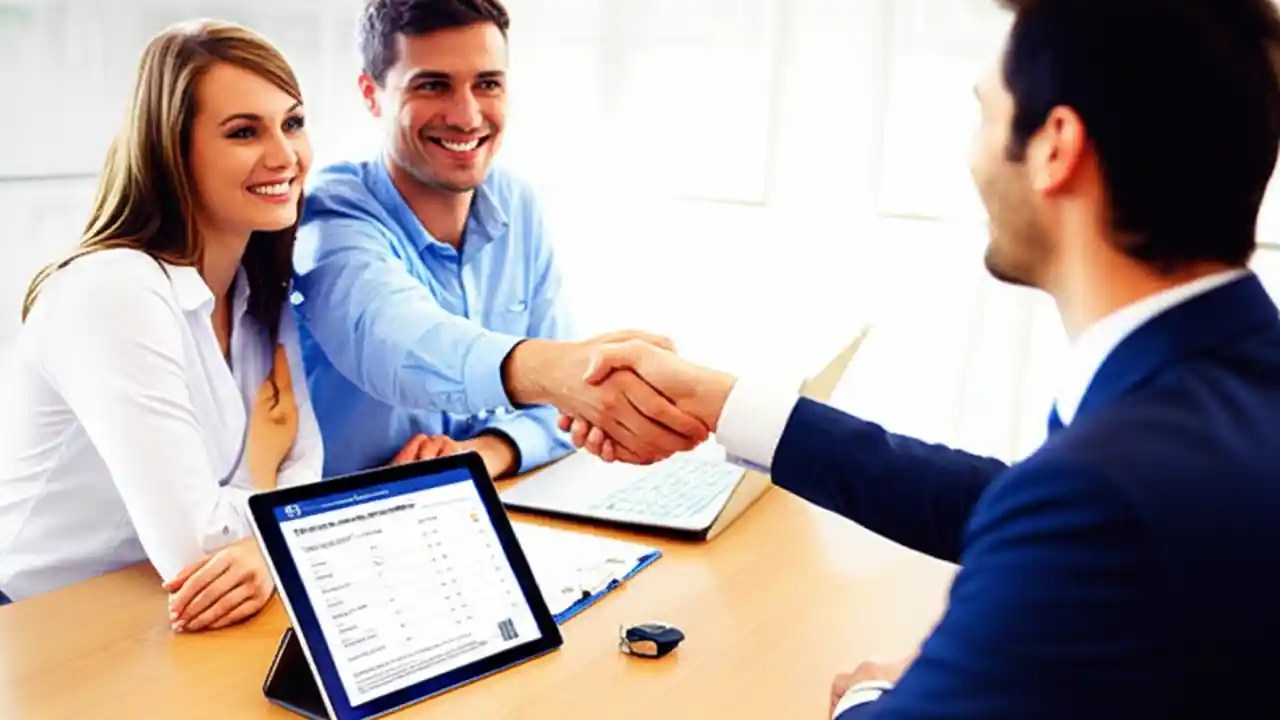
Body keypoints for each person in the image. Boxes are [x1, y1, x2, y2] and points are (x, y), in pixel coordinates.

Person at [560, 0, 1280, 716]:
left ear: (1056, 148)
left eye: (985, 114)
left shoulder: (1105, 490)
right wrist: (728, 405)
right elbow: (1017, 504)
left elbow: (1064, 514)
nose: (973, 155)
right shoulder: (1234, 379)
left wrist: (878, 690)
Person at [0, 20, 328, 632]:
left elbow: (305, 466)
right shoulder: (115, 289)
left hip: (163, 613)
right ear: (172, 150)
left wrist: (264, 545)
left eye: (293, 122)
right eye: (243, 132)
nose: (284, 155)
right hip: (40, 628)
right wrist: (278, 530)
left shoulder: (262, 289)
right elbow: (196, 545)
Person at [292, 0, 706, 480]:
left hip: (478, 508)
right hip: (349, 526)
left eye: (487, 84)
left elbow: (562, 408)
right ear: (372, 94)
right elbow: (401, 344)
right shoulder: (331, 214)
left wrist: (486, 452)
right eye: (432, 85)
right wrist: (561, 371)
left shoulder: (517, 206)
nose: (467, 117)